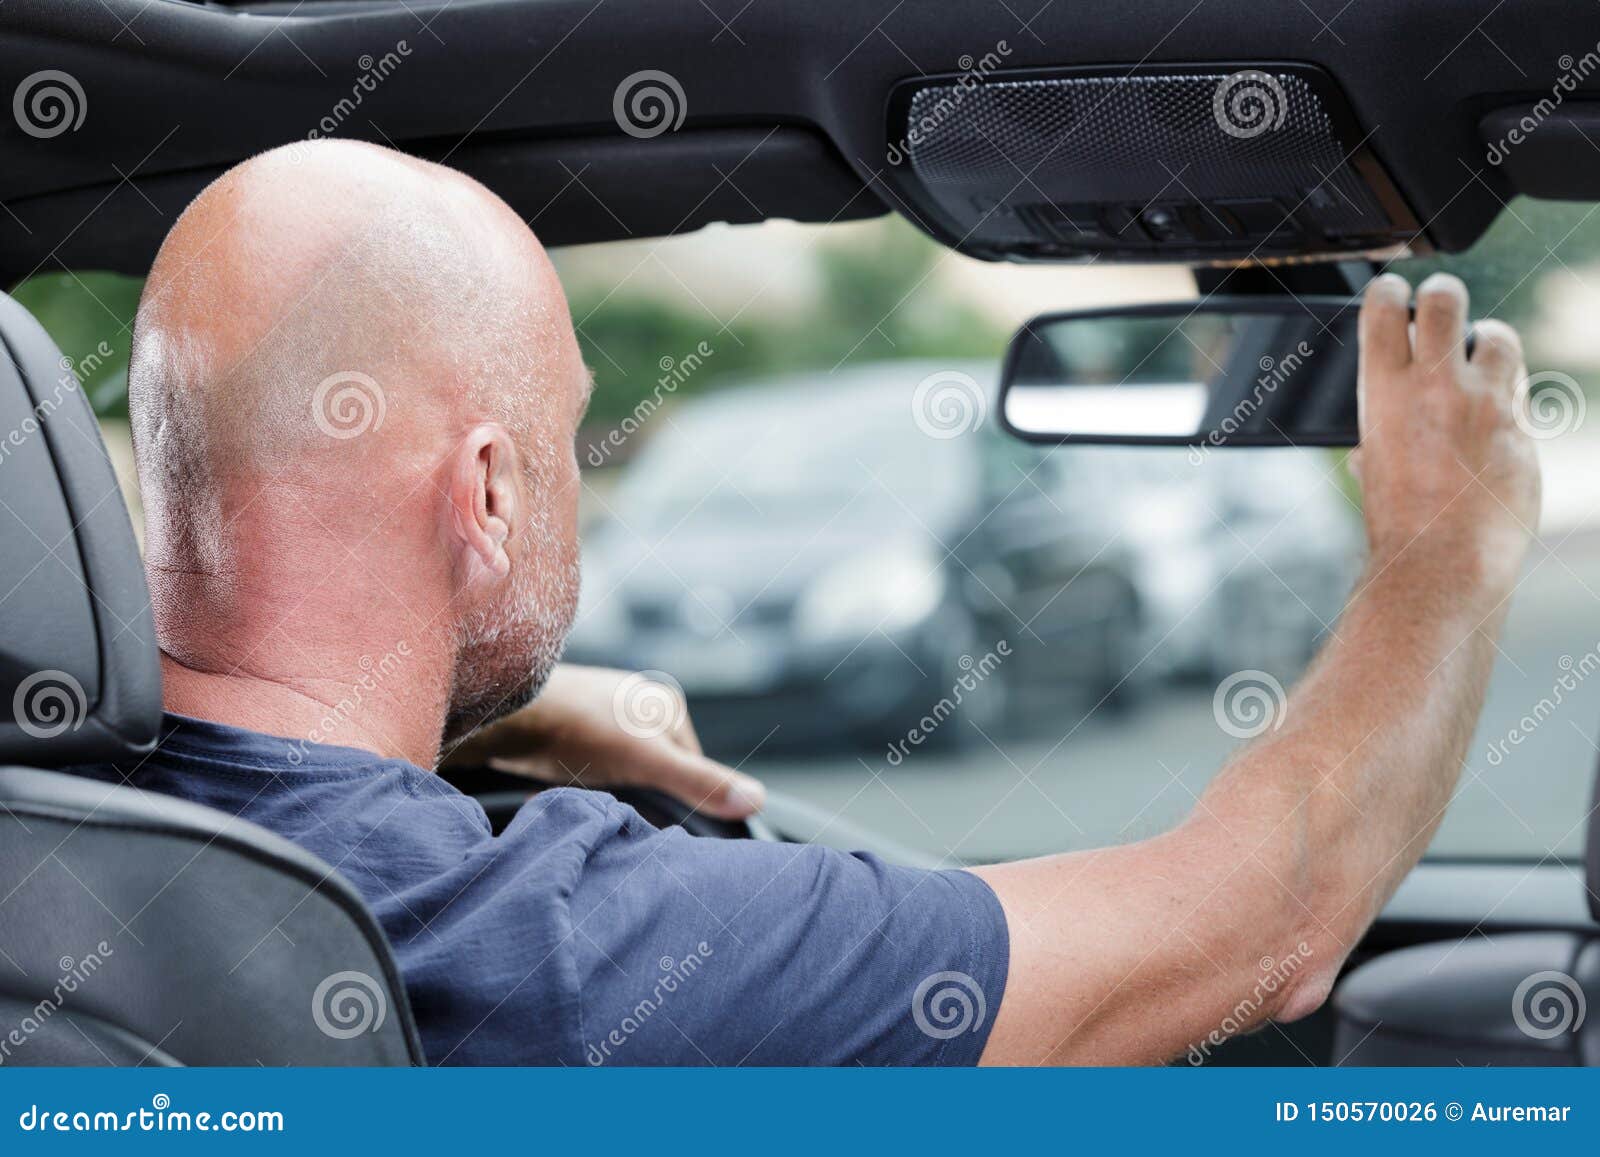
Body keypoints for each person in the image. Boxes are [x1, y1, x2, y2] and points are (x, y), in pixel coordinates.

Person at [69, 139, 1539, 1066]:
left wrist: (462, 728)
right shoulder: (549, 947)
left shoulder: (47, 807)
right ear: (492, 495)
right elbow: (1264, 926)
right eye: (572, 441)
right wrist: (1446, 547)